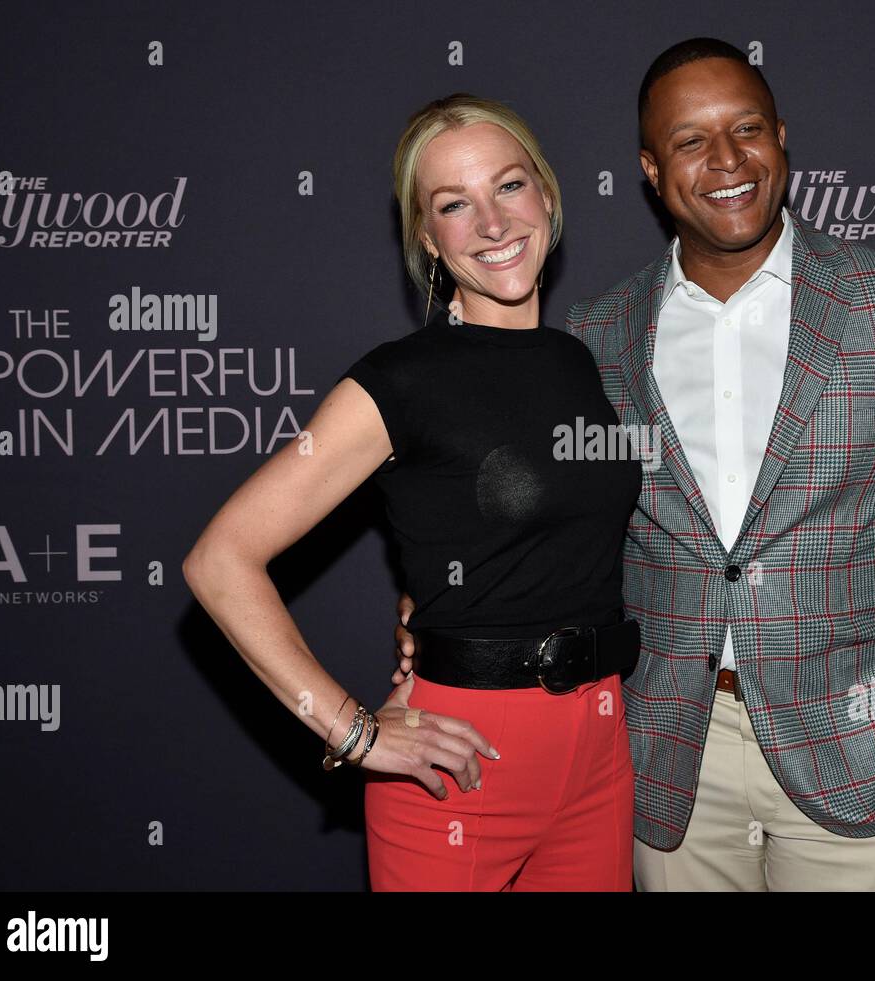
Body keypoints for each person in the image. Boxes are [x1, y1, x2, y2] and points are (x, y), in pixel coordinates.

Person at [394, 38, 875, 891]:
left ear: (782, 138)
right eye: (690, 141)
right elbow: (540, 521)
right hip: (668, 758)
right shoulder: (598, 340)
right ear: (652, 169)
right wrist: (429, 613)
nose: (726, 161)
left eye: (746, 129)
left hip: (872, 749)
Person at [183, 93, 641, 891]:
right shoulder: (399, 380)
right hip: (459, 770)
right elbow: (220, 561)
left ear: (548, 196)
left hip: (600, 756)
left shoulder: (581, 361)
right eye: (454, 205)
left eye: (509, 187)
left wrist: (419, 598)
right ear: (429, 239)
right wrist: (354, 732)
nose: (494, 224)